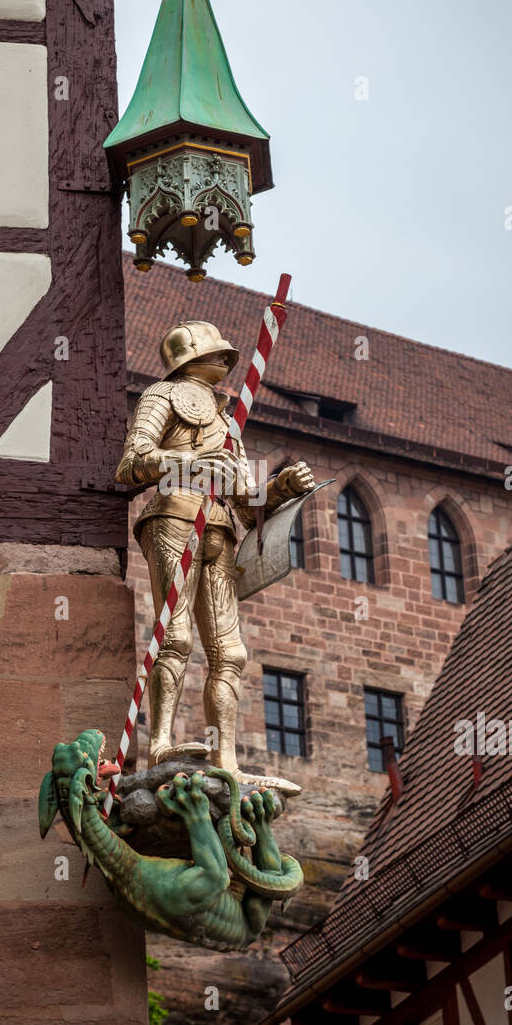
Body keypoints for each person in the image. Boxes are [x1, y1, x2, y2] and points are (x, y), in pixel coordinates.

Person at [117, 320, 315, 780]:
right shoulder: (161, 396)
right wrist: (191, 462)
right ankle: (160, 745)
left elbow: (245, 499)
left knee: (231, 653)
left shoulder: (228, 420)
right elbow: (131, 463)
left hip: (220, 527)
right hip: (172, 517)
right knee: (176, 636)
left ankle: (226, 758)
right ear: (190, 357)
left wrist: (281, 486)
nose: (225, 361)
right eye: (216, 354)